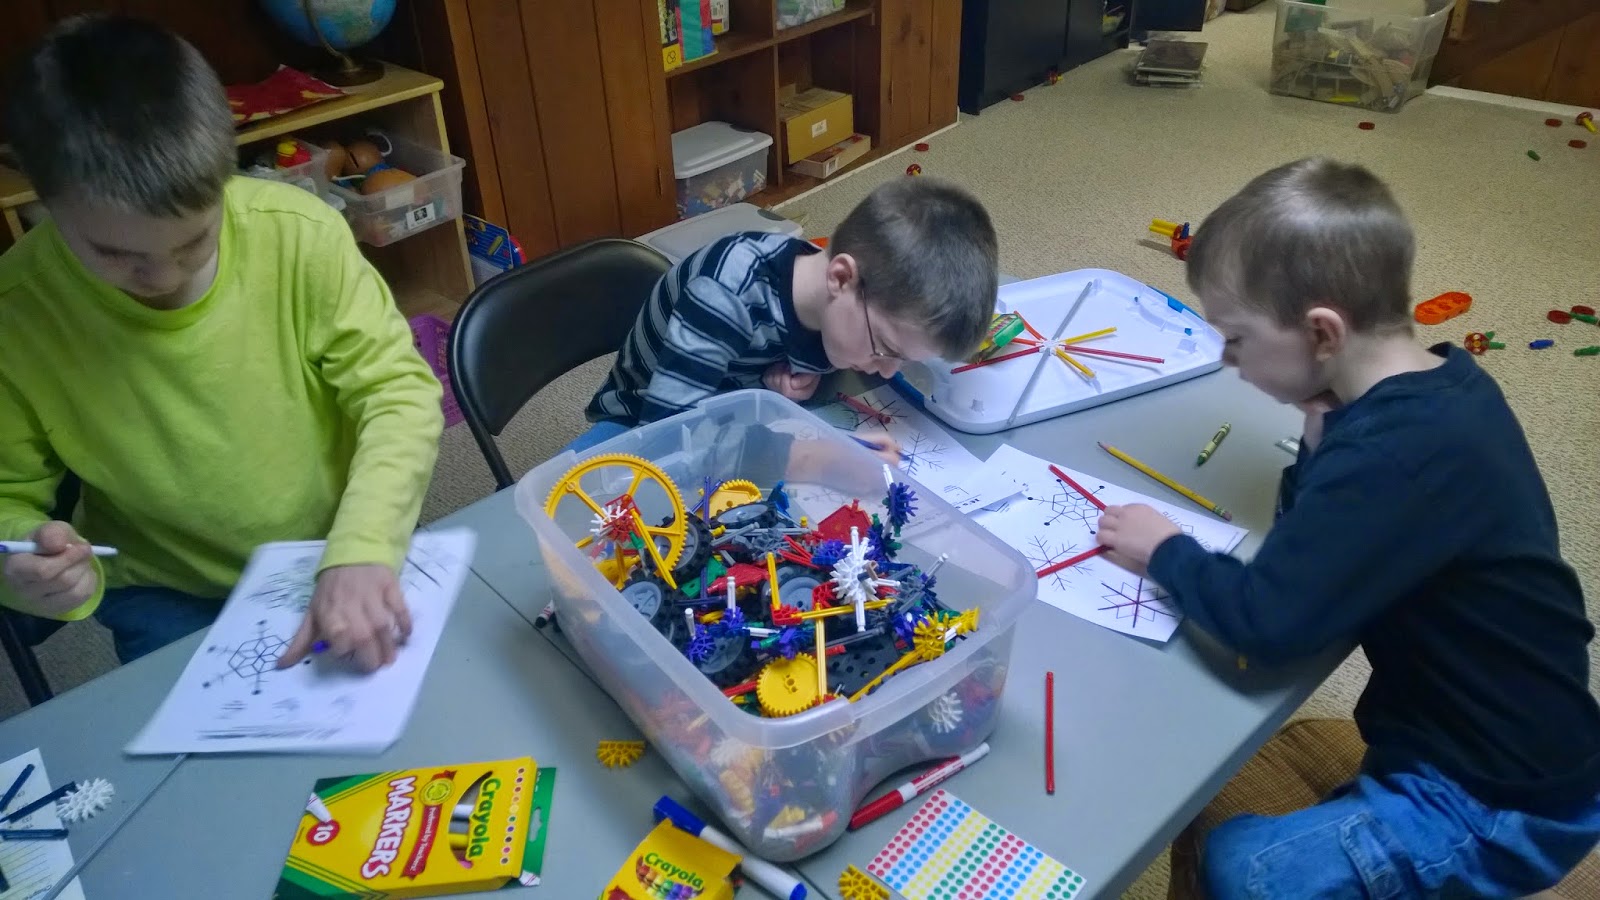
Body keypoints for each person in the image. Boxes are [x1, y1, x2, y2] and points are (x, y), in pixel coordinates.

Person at [1095, 157, 1600, 898]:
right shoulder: (1439, 389)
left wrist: (1165, 550)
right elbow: (1317, 535)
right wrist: (1313, 437)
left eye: (1236, 338)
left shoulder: (1390, 458)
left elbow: (1267, 624)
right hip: (1483, 741)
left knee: (1241, 865)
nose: (1227, 360)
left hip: (1495, 801)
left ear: (1322, 331)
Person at [0, 15, 444, 672]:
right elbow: (10, 493)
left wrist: (363, 546)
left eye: (193, 242)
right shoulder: (18, 313)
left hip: (328, 545)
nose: (165, 278)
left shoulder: (297, 234)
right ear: (40, 200)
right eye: (118, 255)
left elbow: (398, 392)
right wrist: (26, 554)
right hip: (162, 588)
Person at [574, 176, 1001, 463]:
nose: (888, 370)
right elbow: (669, 441)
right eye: (886, 349)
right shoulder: (725, 292)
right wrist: (815, 461)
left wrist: (774, 384)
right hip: (640, 419)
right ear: (841, 278)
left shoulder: (839, 313)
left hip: (738, 405)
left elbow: (809, 350)